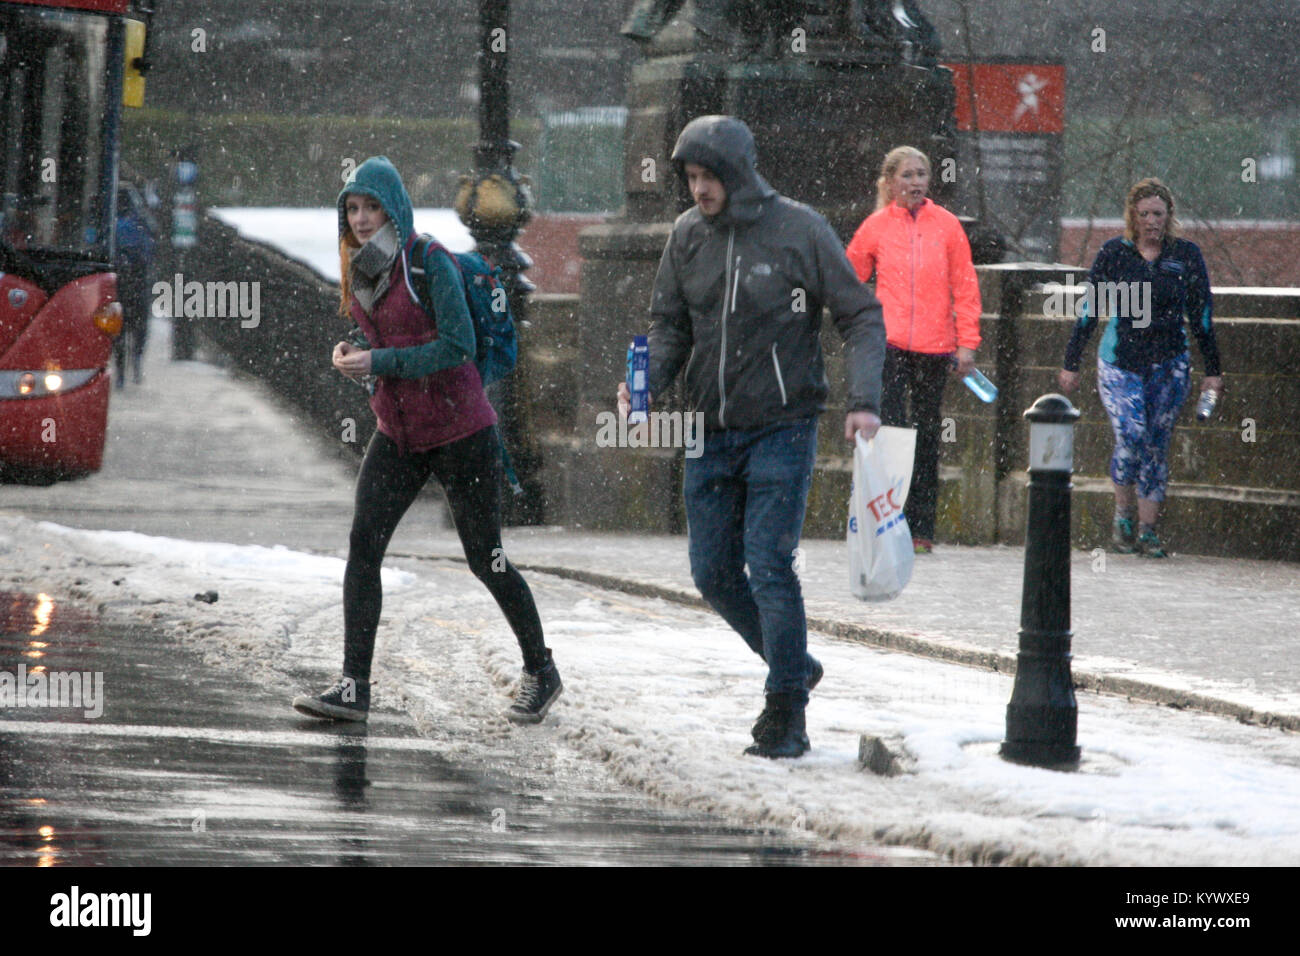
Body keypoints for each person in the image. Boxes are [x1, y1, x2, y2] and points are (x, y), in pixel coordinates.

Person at [618, 116, 886, 759]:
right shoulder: (686, 236)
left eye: (708, 176)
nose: (698, 189)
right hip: (707, 427)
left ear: (737, 173)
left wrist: (864, 401)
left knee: (768, 563)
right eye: (689, 176)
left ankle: (785, 713)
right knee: (711, 571)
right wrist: (644, 380)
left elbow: (860, 314)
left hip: (782, 425)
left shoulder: (799, 229)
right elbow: (668, 324)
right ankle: (794, 665)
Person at [293, 156, 561, 723]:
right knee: (363, 548)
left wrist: (380, 360)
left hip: (461, 431)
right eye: (353, 209)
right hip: (399, 432)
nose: (362, 219)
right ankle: (353, 685)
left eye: (372, 208)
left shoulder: (428, 260)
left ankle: (542, 669)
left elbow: (457, 345)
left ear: (395, 209)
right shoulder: (364, 268)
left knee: (486, 559)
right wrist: (353, 353)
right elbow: (384, 335)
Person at [1057, 177, 1222, 558]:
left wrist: (1213, 371)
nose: (1151, 221)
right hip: (1121, 363)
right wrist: (1071, 361)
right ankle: (1123, 513)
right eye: (1144, 213)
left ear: (1169, 216)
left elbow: (1202, 317)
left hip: (1169, 363)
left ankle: (1148, 530)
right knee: (1131, 435)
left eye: (1158, 214)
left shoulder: (1186, 256)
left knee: (1157, 445)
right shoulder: (1115, 253)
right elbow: (1089, 309)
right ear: (1133, 215)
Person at [845, 145, 982, 554]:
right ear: (889, 182)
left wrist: (967, 344)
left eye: (922, 174)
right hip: (887, 346)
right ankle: (887, 518)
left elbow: (966, 286)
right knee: (889, 432)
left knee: (925, 436)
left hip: (935, 347)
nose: (916, 182)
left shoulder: (947, 226)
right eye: (907, 175)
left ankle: (922, 528)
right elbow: (849, 279)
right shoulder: (875, 226)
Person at [112, 183, 158, 388]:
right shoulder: (141, 221)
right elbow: (150, 248)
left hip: (119, 281)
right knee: (139, 327)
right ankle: (135, 364)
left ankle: (122, 371)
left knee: (119, 329)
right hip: (138, 281)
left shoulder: (111, 222)